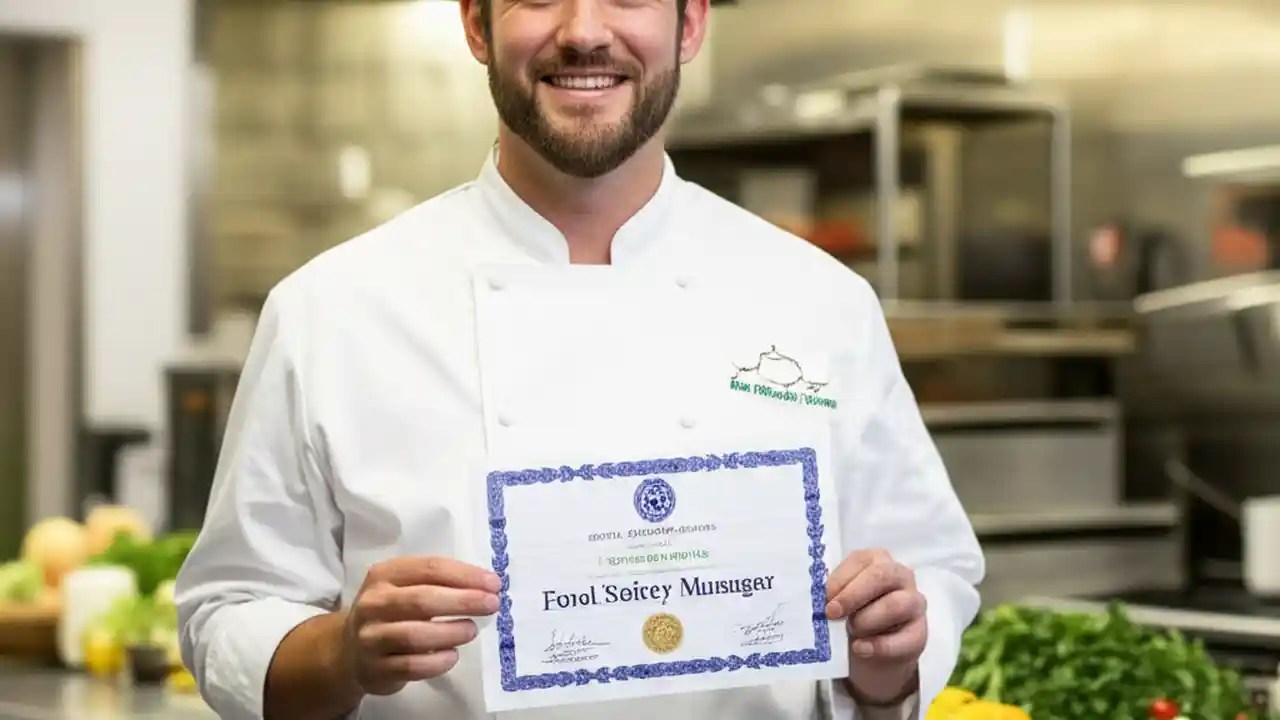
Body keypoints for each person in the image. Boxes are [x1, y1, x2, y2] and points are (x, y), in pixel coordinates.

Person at [173, 0, 985, 718]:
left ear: (690, 22)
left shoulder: (821, 300)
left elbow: (932, 571)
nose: (584, 31)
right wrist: (341, 652)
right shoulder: (332, 310)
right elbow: (228, 614)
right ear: (475, 25)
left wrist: (888, 664)